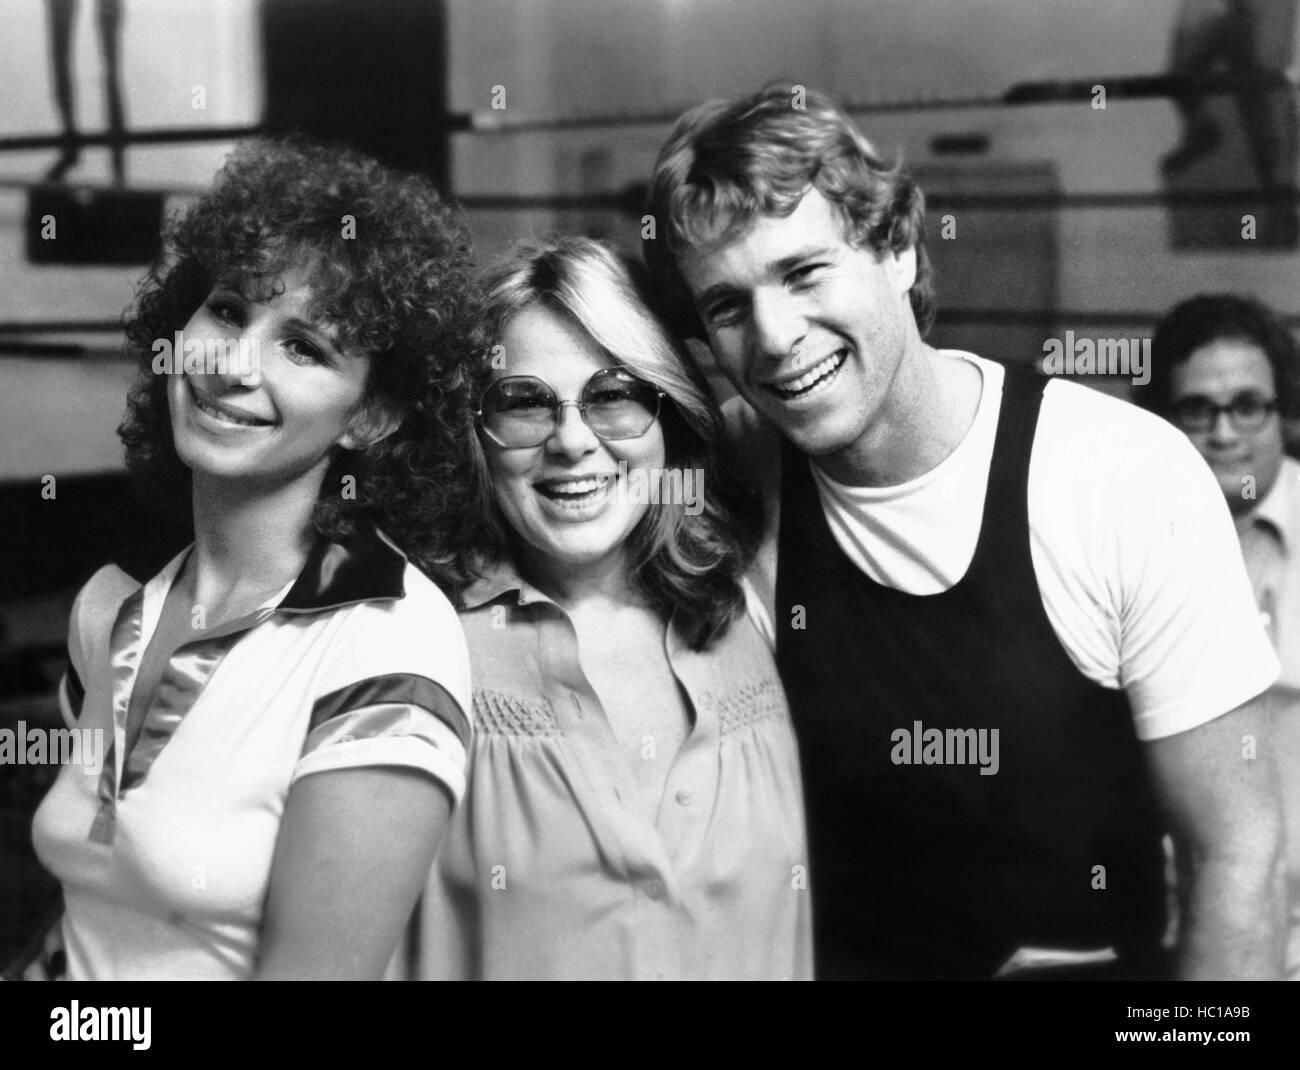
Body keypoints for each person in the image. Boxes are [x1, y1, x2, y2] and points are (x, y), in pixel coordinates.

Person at [642, 82, 1284, 980]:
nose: (777, 337)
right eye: (727, 305)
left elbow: (1242, 858)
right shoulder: (729, 485)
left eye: (803, 272)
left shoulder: (1119, 475)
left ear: (898, 248)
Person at [15, 138, 483, 980]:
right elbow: (93, 927)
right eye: (230, 310)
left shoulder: (386, 645)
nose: (232, 365)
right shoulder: (111, 611)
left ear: (369, 417)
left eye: (303, 346)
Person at [411, 237, 811, 980]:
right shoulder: (417, 647)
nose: (571, 441)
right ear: (473, 435)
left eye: (615, 395)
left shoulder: (752, 604)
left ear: (671, 416)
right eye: (523, 403)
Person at [1145, 292, 1300, 979]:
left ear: (1283, 414)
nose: (1225, 432)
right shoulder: (1137, 535)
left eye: (1247, 405)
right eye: (1197, 410)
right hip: (1185, 919)